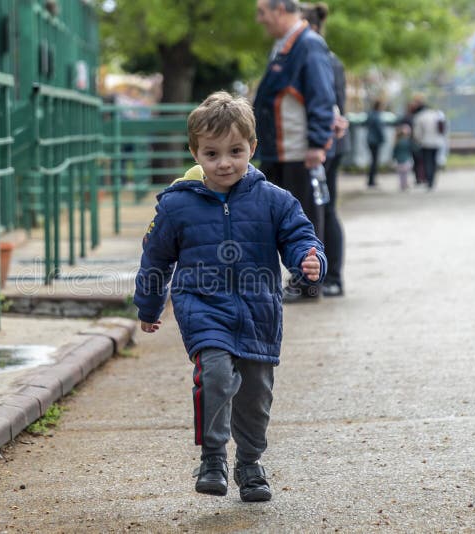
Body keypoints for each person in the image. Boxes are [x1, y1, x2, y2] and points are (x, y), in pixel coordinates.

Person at [134, 92, 326, 502]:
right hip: (202, 308)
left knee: (255, 397)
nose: (224, 163)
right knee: (216, 376)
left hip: (259, 312)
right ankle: (213, 457)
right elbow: (156, 258)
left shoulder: (273, 199)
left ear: (252, 149)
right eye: (212, 153)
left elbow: (299, 236)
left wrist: (309, 260)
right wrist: (149, 305)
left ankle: (250, 462)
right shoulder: (177, 206)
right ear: (195, 153)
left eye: (235, 151)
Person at [253, 0, 335, 301]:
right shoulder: (285, 44)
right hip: (281, 150)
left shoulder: (307, 45)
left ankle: (308, 282)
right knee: (283, 218)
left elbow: (321, 97)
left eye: (263, 12)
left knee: (303, 220)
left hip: (298, 152)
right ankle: (298, 280)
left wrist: (316, 144)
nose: (259, 20)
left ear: (280, 10)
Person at [300, 1, 348, 298]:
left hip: (327, 144)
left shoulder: (318, 56)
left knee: (324, 210)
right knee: (326, 209)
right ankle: (330, 276)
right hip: (332, 142)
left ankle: (330, 276)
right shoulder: (329, 57)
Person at [411, 96, 446, 190]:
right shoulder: (437, 115)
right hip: (437, 142)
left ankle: (428, 180)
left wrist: (417, 140)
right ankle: (432, 180)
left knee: (427, 161)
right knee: (434, 161)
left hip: (425, 142)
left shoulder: (420, 117)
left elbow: (417, 133)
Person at [365, 99, 385, 187]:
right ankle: (372, 180)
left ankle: (371, 180)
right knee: (374, 161)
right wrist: (383, 139)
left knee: (372, 160)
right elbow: (379, 129)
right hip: (376, 141)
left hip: (370, 140)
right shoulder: (377, 116)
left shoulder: (370, 114)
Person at [392, 124, 414, 191]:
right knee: (406, 174)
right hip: (407, 159)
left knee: (400, 174)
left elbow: (394, 152)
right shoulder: (408, 141)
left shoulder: (397, 142)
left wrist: (393, 158)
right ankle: (405, 184)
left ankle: (402, 185)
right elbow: (412, 149)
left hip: (399, 160)